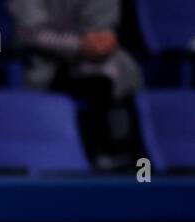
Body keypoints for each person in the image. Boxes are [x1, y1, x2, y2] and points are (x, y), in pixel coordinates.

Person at [10, 0, 143, 169]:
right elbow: (30, 33)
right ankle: (97, 149)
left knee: (116, 71)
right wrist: (79, 45)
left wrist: (101, 41)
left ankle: (118, 149)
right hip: (47, 62)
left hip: (93, 62)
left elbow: (102, 27)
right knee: (102, 76)